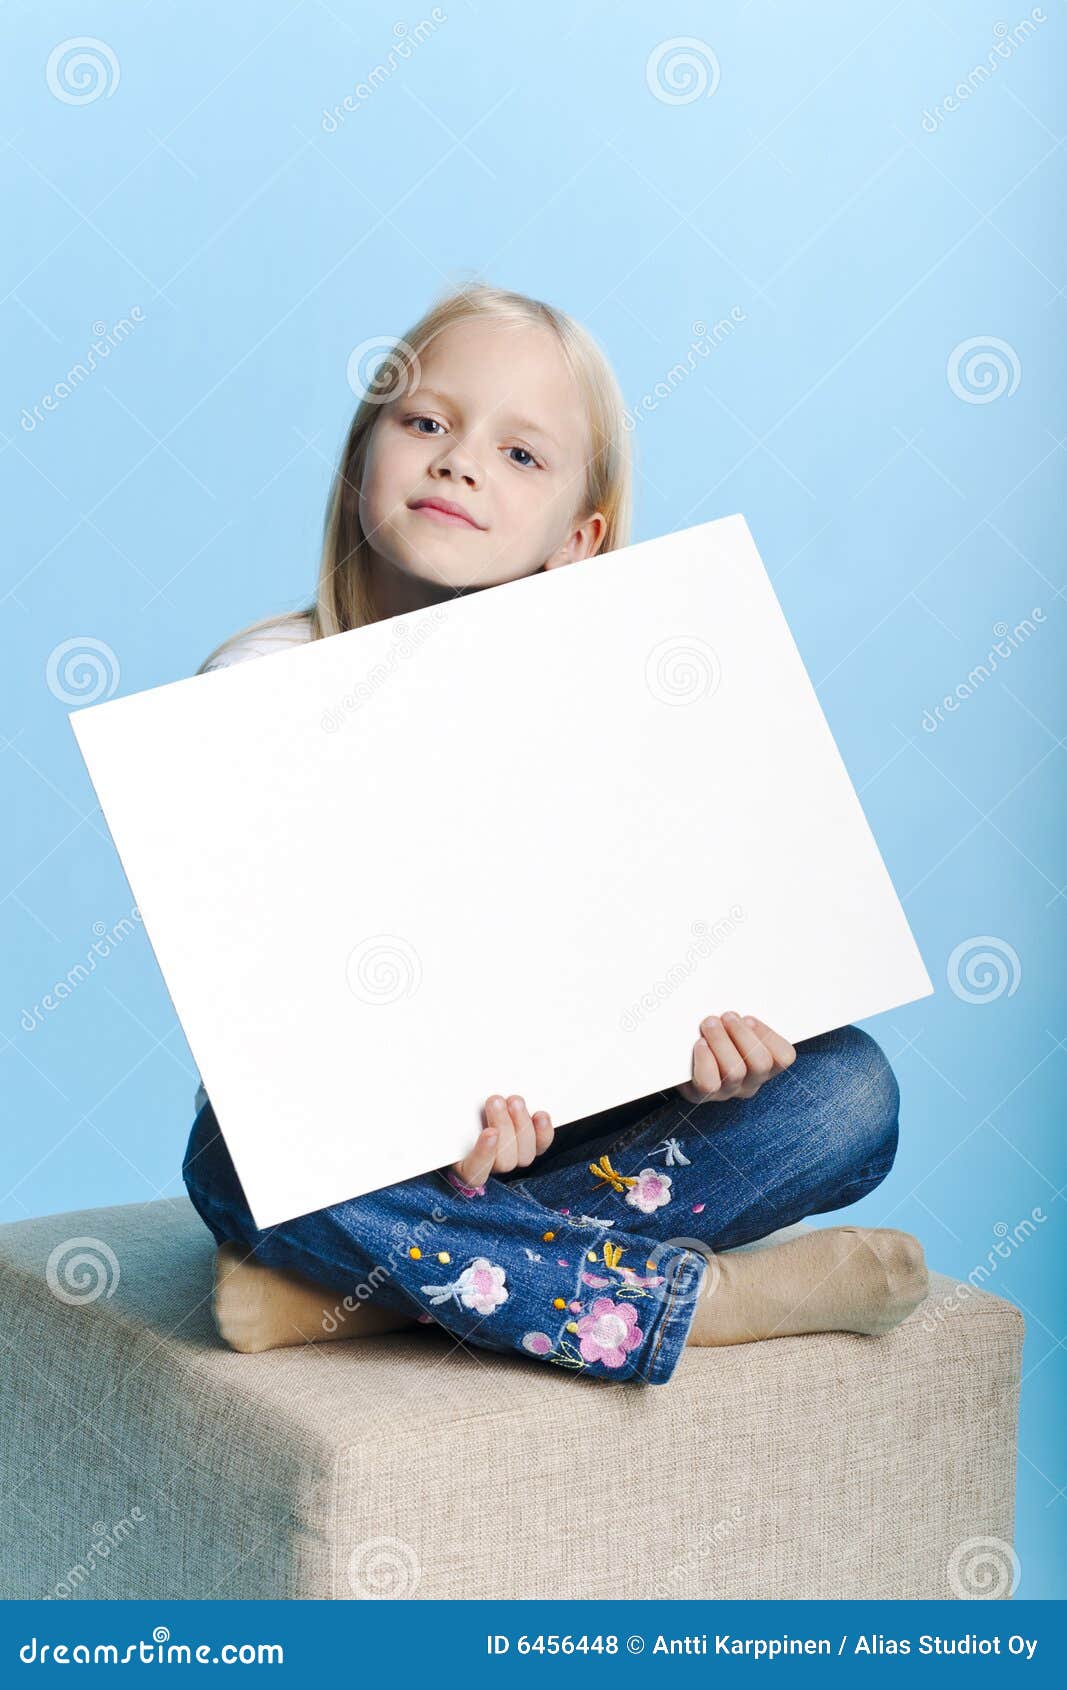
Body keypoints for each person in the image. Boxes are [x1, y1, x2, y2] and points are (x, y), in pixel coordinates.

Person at [182, 281, 927, 1385]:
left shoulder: (633, 703)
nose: (459, 460)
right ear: (360, 460)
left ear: (578, 538)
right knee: (233, 1160)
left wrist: (704, 1063)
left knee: (850, 1092)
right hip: (367, 1142)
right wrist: (429, 1118)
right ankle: (681, 1300)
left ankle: (370, 1292)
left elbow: (647, 957)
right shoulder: (259, 686)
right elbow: (275, 1016)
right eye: (424, 422)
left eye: (520, 454)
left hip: (572, 1127)